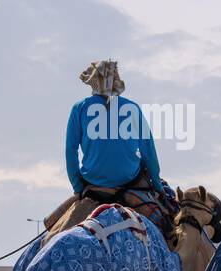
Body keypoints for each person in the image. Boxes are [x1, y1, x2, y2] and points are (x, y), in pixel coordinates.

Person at [64, 60, 164, 197]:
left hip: (93, 179)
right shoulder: (133, 107)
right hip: (129, 178)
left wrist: (77, 187)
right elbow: (148, 150)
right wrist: (157, 185)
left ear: (93, 81)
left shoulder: (79, 108)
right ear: (116, 80)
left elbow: (71, 150)